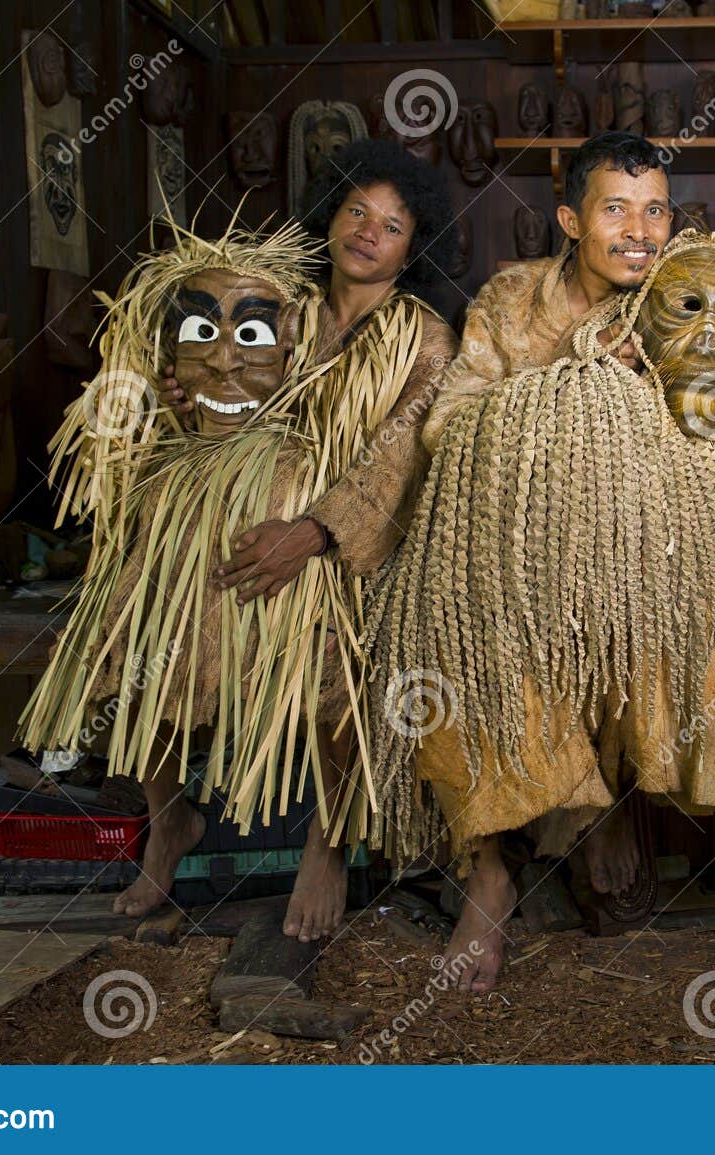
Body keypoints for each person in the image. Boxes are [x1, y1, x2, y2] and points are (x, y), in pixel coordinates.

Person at [411, 132, 715, 993]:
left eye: (655, 209)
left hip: (641, 558)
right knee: (471, 639)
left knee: (666, 621)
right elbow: (447, 423)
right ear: (572, 218)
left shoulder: (680, 296)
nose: (638, 230)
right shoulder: (511, 300)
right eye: (616, 208)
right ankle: (492, 870)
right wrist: (576, 378)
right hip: (508, 549)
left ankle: (611, 802)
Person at [135, 139, 461, 941]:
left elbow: (402, 459)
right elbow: (213, 382)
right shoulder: (277, 300)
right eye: (357, 212)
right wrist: (184, 395)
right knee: (149, 625)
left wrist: (315, 531)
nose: (368, 233)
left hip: (344, 549)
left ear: (411, 247)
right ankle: (167, 816)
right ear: (333, 214)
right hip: (235, 511)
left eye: (390, 225)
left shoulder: (424, 340)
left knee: (337, 664)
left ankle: (327, 841)